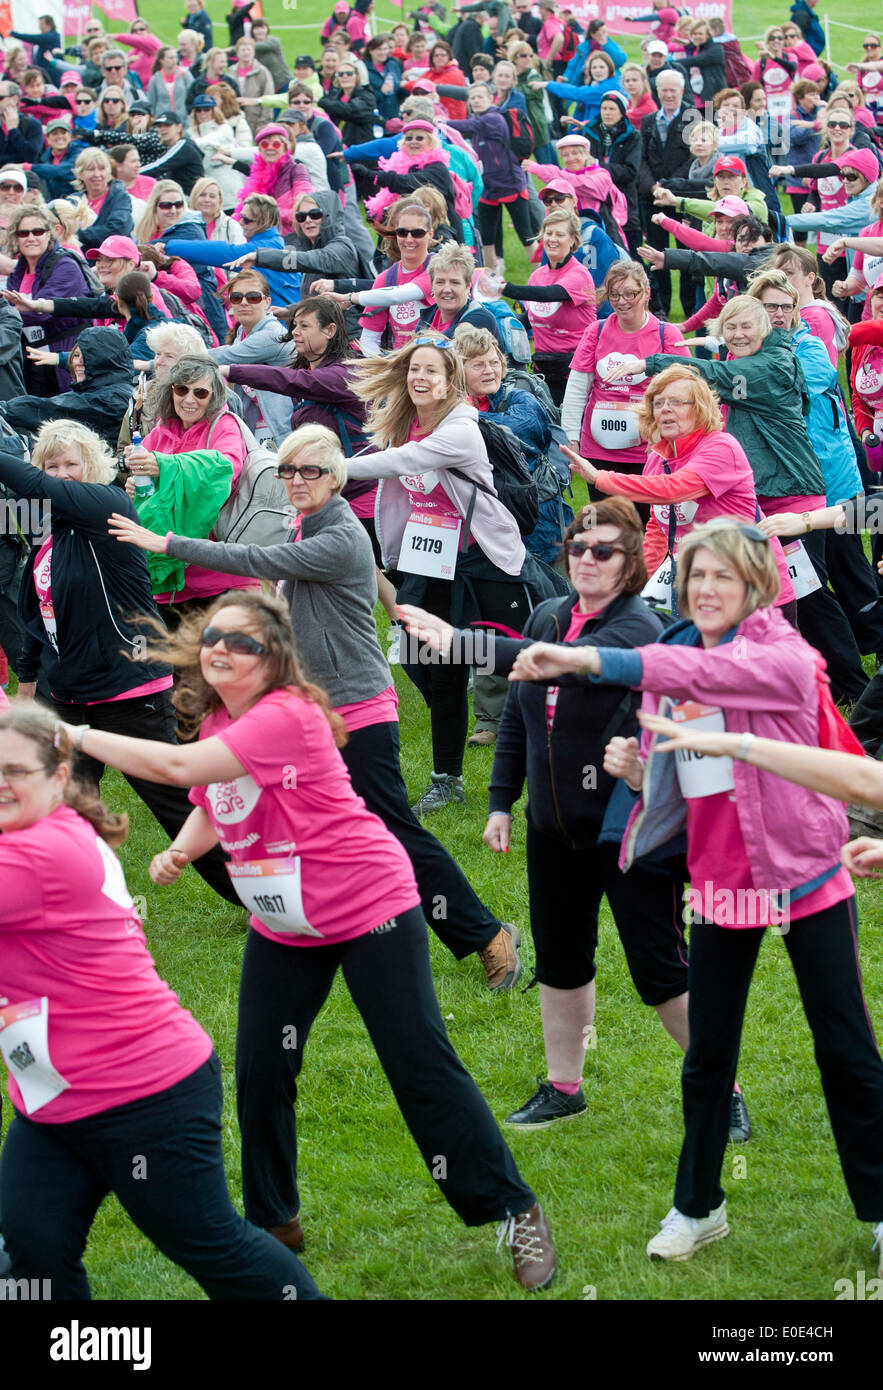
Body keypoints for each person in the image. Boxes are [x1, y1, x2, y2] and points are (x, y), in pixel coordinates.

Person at [41, 586, 557, 1289]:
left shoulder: (287, 714)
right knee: (261, 1069)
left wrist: (72, 735)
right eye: (214, 637)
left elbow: (175, 770)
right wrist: (184, 850)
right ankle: (272, 1222)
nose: (222, 650)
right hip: (285, 923)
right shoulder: (220, 719)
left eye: (243, 642)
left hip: (368, 908)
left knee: (418, 1065)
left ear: (275, 656)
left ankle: (513, 1207)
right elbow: (211, 795)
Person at [509, 517, 883, 1267]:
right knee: (708, 1056)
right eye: (696, 575)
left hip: (804, 875)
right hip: (721, 883)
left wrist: (584, 657)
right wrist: (638, 771)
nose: (706, 589)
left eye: (723, 576)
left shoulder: (784, 656)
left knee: (844, 1049)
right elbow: (683, 775)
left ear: (756, 585)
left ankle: (877, 1209)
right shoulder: (678, 656)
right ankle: (698, 1207)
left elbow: (702, 677)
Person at [0, 703, 323, 1301]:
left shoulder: (42, 853)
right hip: (50, 1101)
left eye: (15, 771)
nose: (1, 783)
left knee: (210, 1244)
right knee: (32, 1249)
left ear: (60, 777)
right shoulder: (36, 835)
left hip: (143, 1092)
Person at [0, 422, 234, 902]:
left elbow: (34, 486)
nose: (61, 475)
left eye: (71, 464)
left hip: (130, 691)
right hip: (68, 698)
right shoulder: (52, 531)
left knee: (177, 804)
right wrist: (28, 680)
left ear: (93, 466)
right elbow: (37, 610)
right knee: (57, 807)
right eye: (52, 466)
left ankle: (262, 895)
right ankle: (63, 905)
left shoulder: (108, 507)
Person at [347, 335, 561, 815]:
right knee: (424, 663)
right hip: (431, 563)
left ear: (450, 382)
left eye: (431, 371)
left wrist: (329, 466)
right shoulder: (404, 424)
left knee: (522, 663)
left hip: (486, 561)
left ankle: (558, 747)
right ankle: (448, 781)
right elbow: (384, 464)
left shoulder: (461, 427)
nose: (420, 378)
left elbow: (405, 462)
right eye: (414, 369)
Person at [565, 360, 796, 618]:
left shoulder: (721, 447)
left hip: (753, 590)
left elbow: (673, 489)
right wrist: (636, 587)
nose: (665, 409)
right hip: (701, 590)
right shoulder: (658, 458)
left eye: (676, 402)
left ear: (700, 408)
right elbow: (658, 528)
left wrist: (601, 478)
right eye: (658, 403)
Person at [121, 355, 254, 618]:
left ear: (214, 396)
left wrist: (165, 466)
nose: (189, 399)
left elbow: (225, 469)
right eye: (181, 390)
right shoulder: (161, 431)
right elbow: (145, 484)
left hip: (220, 579)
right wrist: (133, 487)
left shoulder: (224, 425)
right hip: (169, 579)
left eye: (200, 392)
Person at [561, 260, 688, 481]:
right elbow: (576, 388)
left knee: (644, 504)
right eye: (614, 295)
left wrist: (662, 435)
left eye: (630, 294)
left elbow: (687, 391)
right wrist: (571, 436)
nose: (621, 301)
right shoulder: (596, 331)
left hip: (648, 451)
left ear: (646, 293)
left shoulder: (666, 335)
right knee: (605, 505)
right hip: (598, 450)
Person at [481, 209, 596, 405]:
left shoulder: (579, 275)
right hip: (543, 369)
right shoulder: (537, 276)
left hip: (576, 370)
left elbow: (551, 294)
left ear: (572, 240)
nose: (552, 239)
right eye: (549, 233)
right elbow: (531, 317)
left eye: (560, 234)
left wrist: (504, 288)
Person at [447, 82, 535, 274]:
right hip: (488, 189)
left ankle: (541, 275)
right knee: (487, 238)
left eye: (480, 96)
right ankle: (489, 279)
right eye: (473, 98)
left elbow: (469, 126)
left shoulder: (493, 118)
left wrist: (439, 123)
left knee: (526, 234)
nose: (476, 101)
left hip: (511, 185)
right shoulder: (478, 119)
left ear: (490, 98)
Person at [3, 202, 91, 396]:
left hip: (66, 355)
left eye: (38, 231)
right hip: (33, 358)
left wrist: (8, 317)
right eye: (23, 233)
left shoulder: (66, 266)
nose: (31, 238)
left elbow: (40, 313)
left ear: (49, 234)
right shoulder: (18, 272)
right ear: (16, 238)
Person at [3, 326, 135, 450]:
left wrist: (5, 409)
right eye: (76, 355)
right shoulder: (104, 388)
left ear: (104, 361)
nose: (78, 362)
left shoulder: (112, 399)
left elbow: (52, 409)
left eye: (87, 357)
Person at [167, 191, 293, 310]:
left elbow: (224, 253)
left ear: (264, 223)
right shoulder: (274, 241)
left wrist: (168, 246)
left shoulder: (267, 246)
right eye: (241, 216)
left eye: (246, 220)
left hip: (283, 320)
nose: (240, 222)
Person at [206, 269, 292, 443]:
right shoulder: (242, 333)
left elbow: (225, 355)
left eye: (253, 297)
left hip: (281, 431)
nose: (244, 302)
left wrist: (166, 359)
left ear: (267, 302)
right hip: (257, 428)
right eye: (236, 297)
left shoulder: (273, 334)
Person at [637, 70, 695, 316]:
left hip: (683, 198)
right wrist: (653, 187)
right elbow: (641, 159)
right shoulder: (649, 120)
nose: (669, 95)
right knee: (656, 254)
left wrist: (668, 186)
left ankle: (691, 308)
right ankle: (661, 307)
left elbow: (694, 158)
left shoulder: (694, 117)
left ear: (682, 91)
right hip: (653, 199)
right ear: (657, 92)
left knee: (686, 254)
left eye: (673, 90)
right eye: (664, 90)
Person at [232, 124, 312, 238]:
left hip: (290, 240)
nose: (270, 148)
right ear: (260, 149)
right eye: (264, 144)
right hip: (259, 239)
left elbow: (305, 211)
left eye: (276, 144)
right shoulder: (257, 174)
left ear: (285, 148)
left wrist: (266, 213)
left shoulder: (297, 170)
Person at [188, 94, 248, 210]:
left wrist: (192, 144)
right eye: (198, 110)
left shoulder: (224, 128)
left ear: (214, 111)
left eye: (207, 109)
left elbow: (210, 140)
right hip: (207, 192)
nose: (202, 113)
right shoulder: (191, 133)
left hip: (230, 189)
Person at [72, 147, 134, 251]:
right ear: (80, 174)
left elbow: (116, 231)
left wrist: (76, 234)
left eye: (101, 169)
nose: (97, 174)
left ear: (108, 173)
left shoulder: (120, 197)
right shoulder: (73, 201)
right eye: (91, 169)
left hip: (115, 255)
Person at [139, 112, 205, 196]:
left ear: (179, 127)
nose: (162, 129)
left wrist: (132, 174)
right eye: (159, 126)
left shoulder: (183, 145)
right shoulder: (178, 145)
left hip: (189, 197)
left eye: (167, 125)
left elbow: (157, 167)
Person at [32, 119, 87, 201]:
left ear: (70, 136)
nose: (60, 136)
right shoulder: (43, 158)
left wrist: (29, 167)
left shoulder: (79, 153)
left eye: (63, 133)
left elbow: (61, 171)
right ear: (48, 138)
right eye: (55, 133)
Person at [0, 80, 44, 165]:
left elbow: (30, 157)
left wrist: (13, 130)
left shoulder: (33, 125)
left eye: (0, 98)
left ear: (14, 99)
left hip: (22, 172)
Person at [147, 45, 194, 122]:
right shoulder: (155, 79)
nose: (174, 60)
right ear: (161, 60)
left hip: (183, 120)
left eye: (175, 57)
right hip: (163, 121)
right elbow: (151, 102)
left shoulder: (185, 75)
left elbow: (192, 95)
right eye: (171, 58)